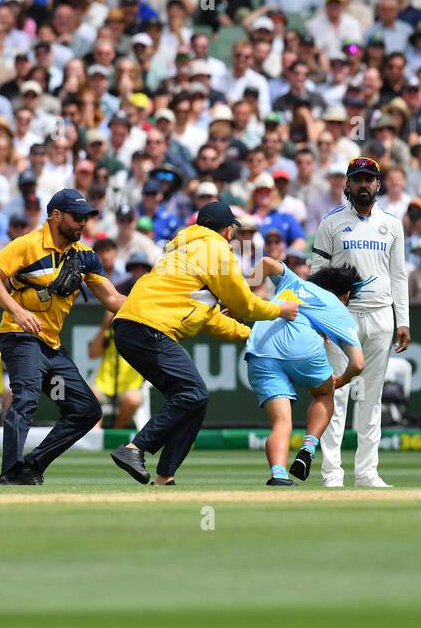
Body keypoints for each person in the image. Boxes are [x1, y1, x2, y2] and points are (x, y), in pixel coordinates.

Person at [110, 200, 299, 485]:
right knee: (193, 393)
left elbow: (210, 317)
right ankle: (135, 448)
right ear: (226, 230)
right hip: (149, 326)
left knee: (194, 398)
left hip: (130, 326)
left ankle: (165, 475)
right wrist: (279, 310)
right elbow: (244, 304)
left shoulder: (184, 250)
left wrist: (252, 335)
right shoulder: (217, 250)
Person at [0, 188, 127, 485]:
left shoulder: (84, 256)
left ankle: (32, 466)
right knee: (26, 398)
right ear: (56, 216)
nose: (83, 223)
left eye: (86, 217)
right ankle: (9, 474)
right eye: (77, 217)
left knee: (85, 410)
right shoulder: (28, 245)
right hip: (21, 338)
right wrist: (17, 311)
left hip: (51, 346)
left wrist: (161, 305)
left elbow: (112, 300)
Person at [309, 156, 410, 488]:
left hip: (381, 316)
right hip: (342, 319)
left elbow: (398, 275)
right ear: (347, 185)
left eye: (370, 179)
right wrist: (319, 318)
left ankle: (367, 472)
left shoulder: (392, 224)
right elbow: (315, 274)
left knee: (371, 397)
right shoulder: (332, 222)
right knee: (336, 394)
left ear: (378, 184)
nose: (364, 184)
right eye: (357, 179)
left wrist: (403, 320)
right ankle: (332, 474)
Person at [246, 258, 365, 487]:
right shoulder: (339, 308)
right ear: (347, 294)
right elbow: (358, 364)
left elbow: (266, 263)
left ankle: (279, 474)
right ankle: (308, 447)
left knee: (281, 422)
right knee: (324, 394)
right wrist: (338, 382)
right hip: (303, 348)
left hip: (260, 349)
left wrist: (243, 296)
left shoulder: (293, 281)